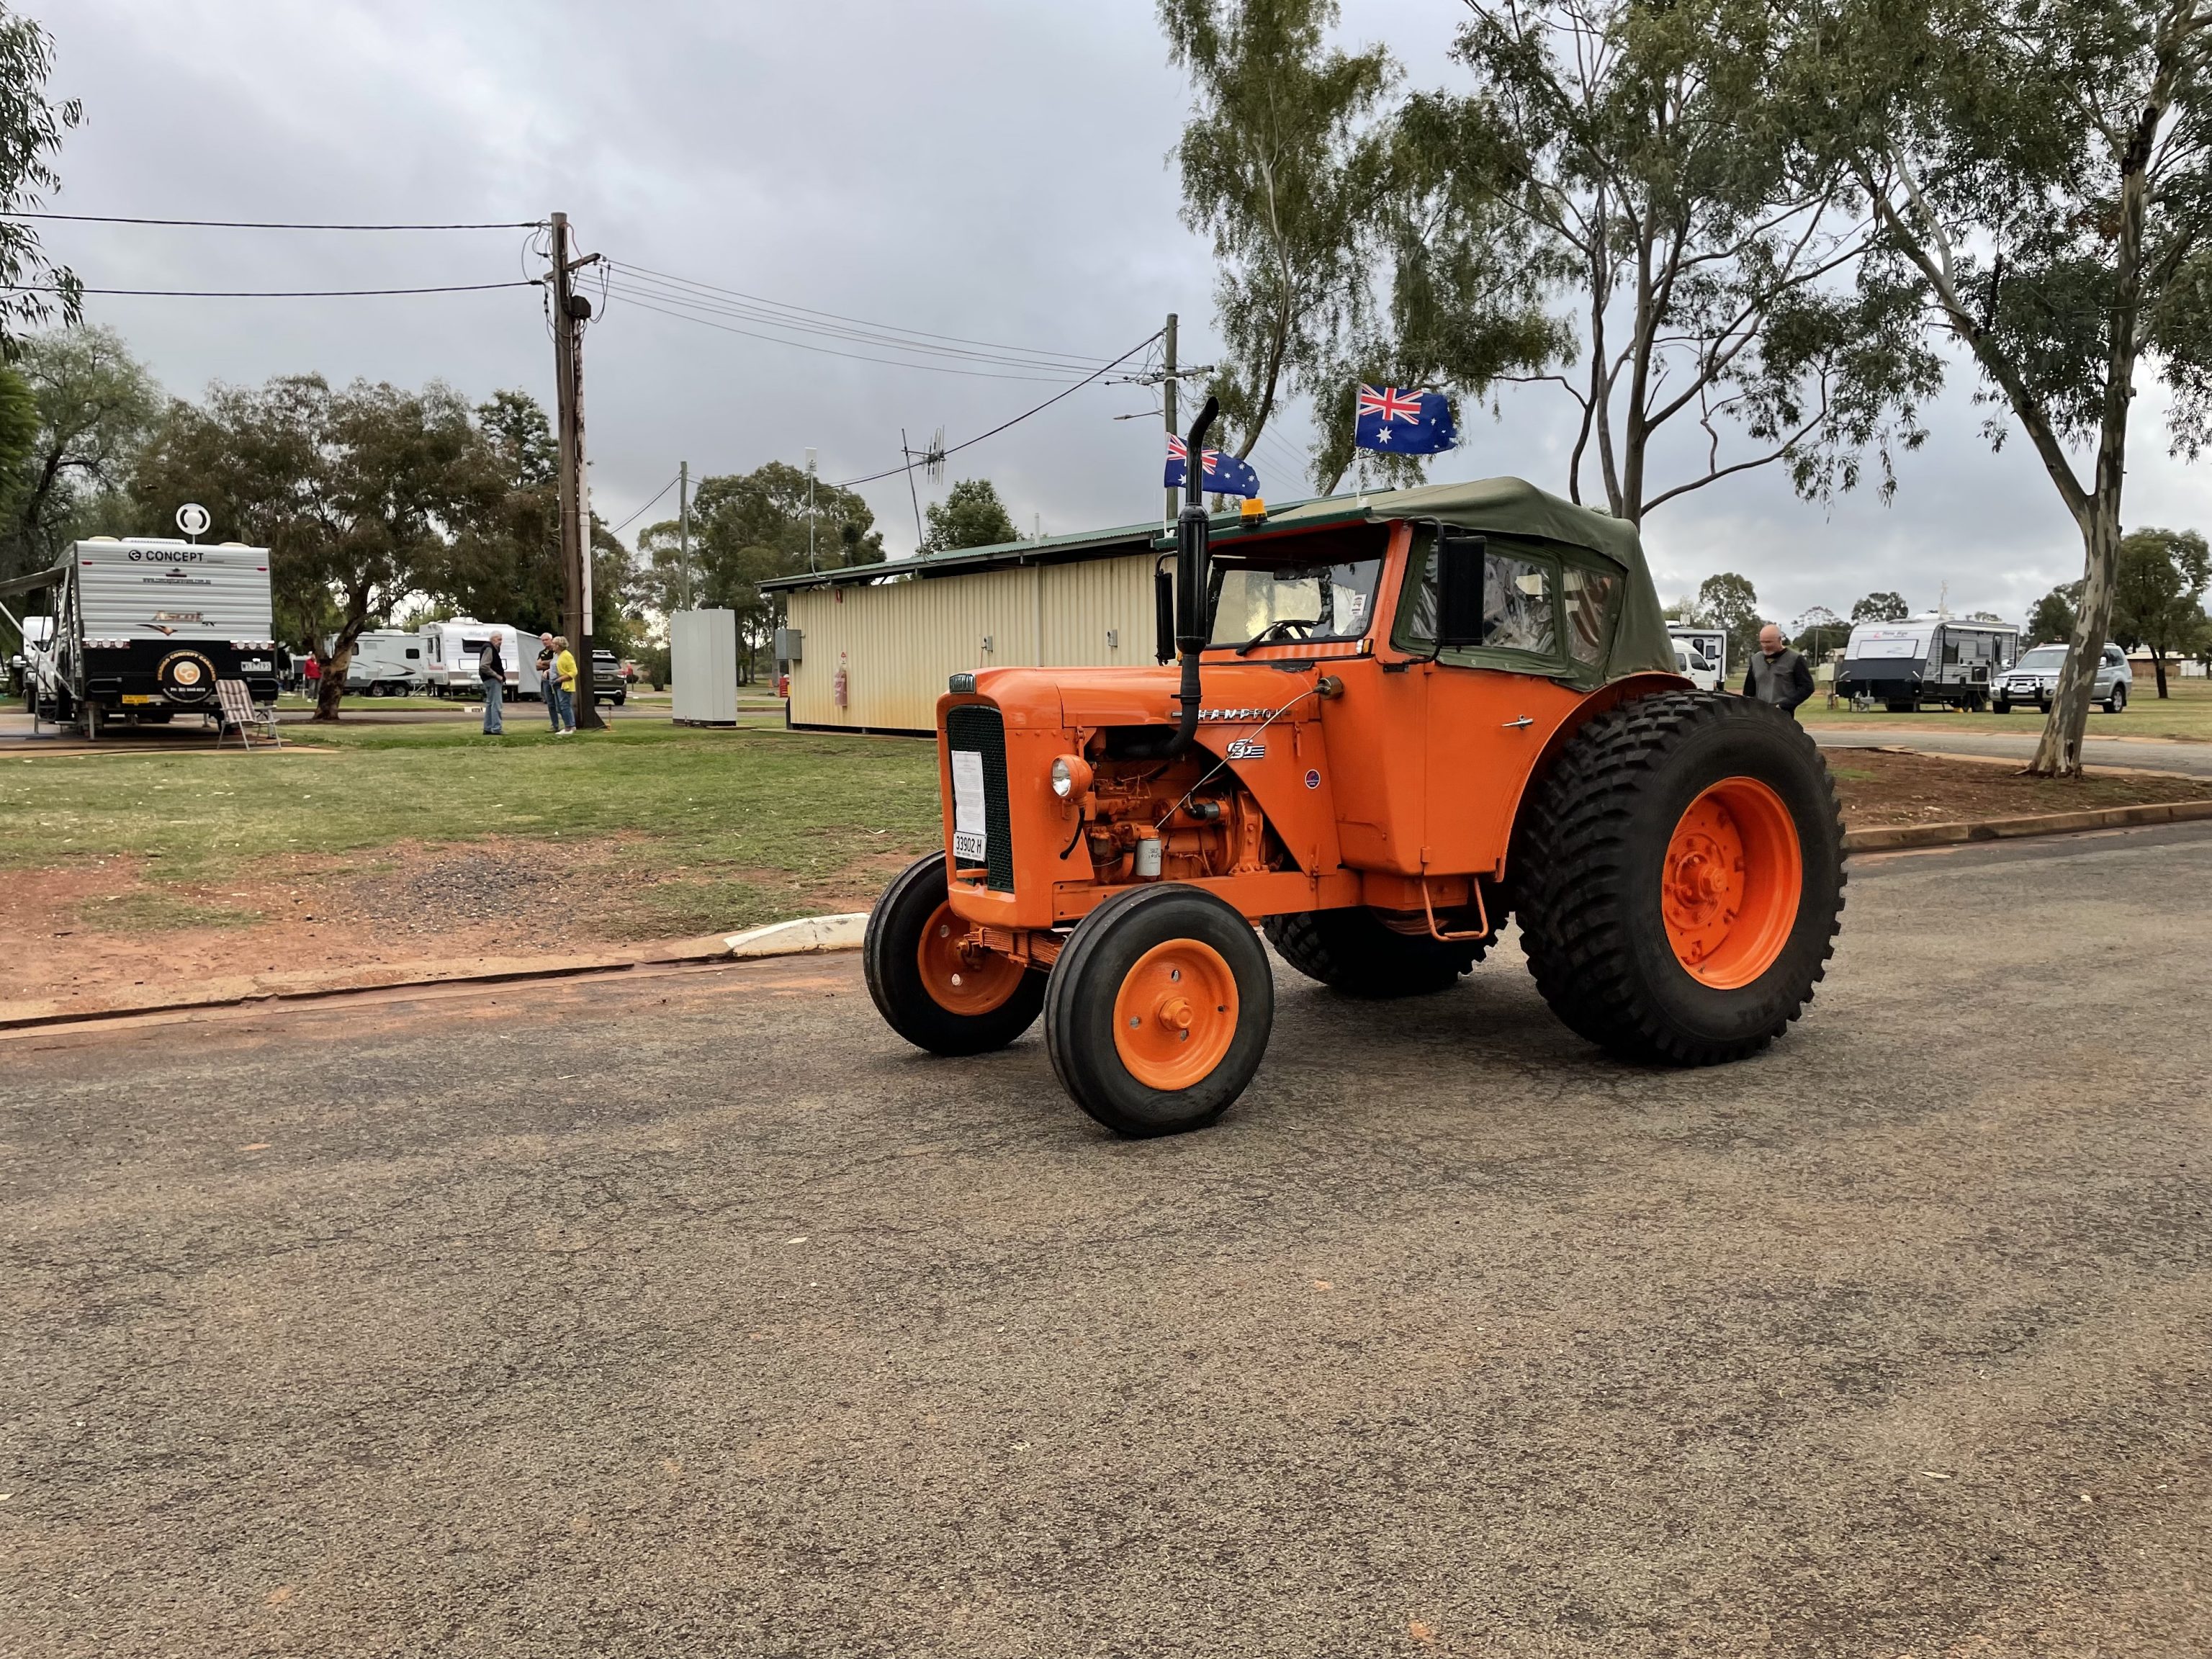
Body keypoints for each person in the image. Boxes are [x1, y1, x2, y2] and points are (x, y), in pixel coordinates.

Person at [1741, 623, 1814, 714]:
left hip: (1782, 716)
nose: (1765, 645)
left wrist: (1785, 705)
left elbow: (1807, 687)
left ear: (1779, 639)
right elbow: (1748, 692)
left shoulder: (1795, 659)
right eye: (1762, 642)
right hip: (1759, 715)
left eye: (1768, 642)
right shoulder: (1756, 659)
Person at [478, 631, 506, 734]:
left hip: (488, 679)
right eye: (499, 639)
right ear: (493, 639)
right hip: (492, 680)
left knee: (490, 703)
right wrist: (497, 675)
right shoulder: (489, 648)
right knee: (496, 704)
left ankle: (488, 728)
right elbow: (484, 666)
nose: (501, 642)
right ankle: (496, 728)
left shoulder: (489, 648)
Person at [549, 634, 577, 734]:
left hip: (564, 684)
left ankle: (569, 727)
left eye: (554, 643)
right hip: (556, 685)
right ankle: (569, 726)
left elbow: (574, 672)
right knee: (559, 707)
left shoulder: (567, 655)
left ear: (558, 645)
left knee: (565, 706)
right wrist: (548, 672)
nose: (552, 645)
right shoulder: (556, 655)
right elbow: (556, 667)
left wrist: (560, 679)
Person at [536, 631, 562, 731]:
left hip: (557, 679)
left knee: (560, 703)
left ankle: (569, 723)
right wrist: (550, 663)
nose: (544, 642)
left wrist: (544, 662)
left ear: (551, 640)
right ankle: (555, 725)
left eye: (546, 640)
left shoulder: (557, 651)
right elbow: (538, 667)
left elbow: (558, 663)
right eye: (543, 640)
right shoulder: (542, 653)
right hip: (546, 679)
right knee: (550, 703)